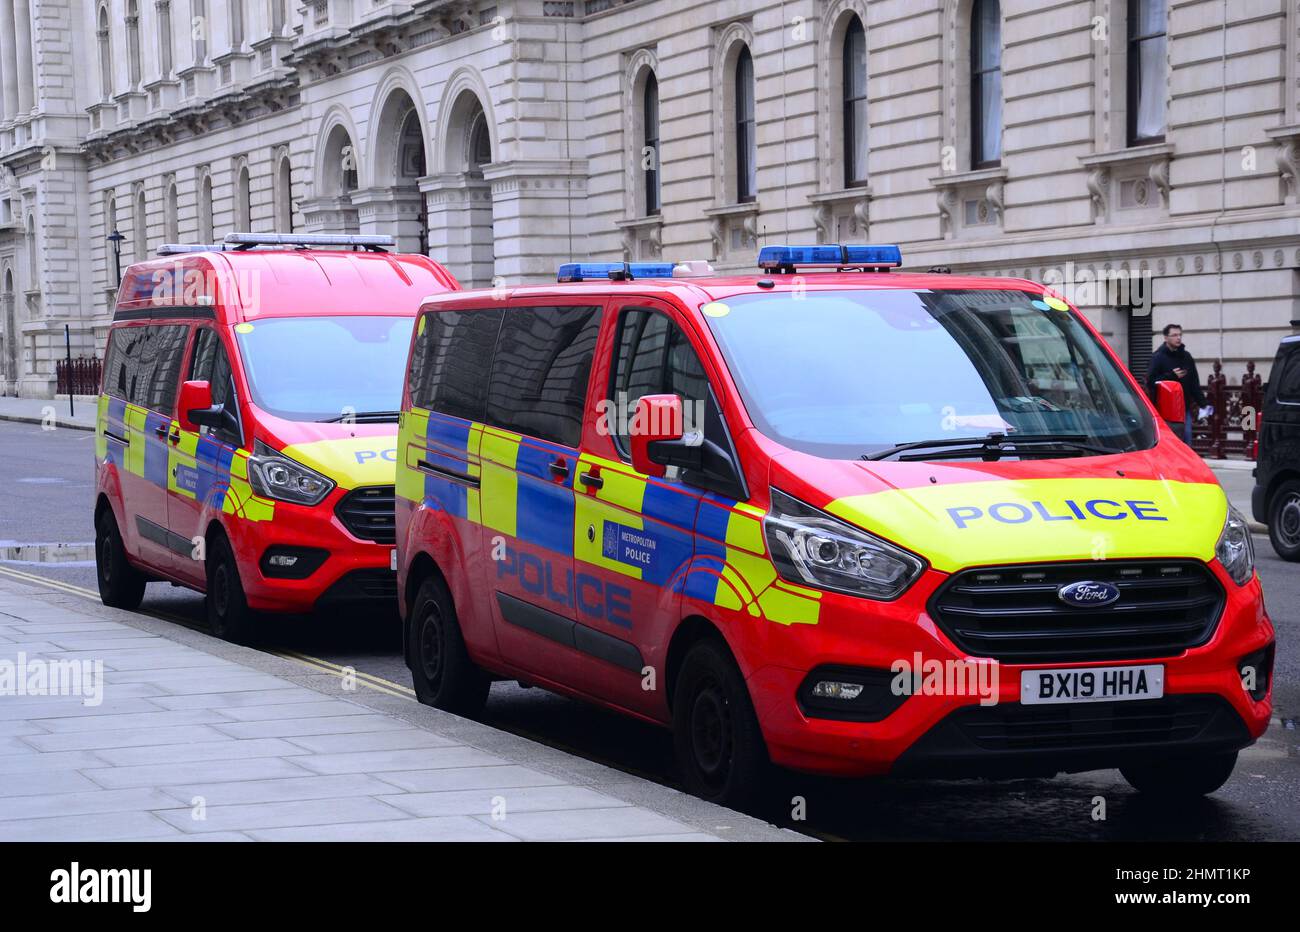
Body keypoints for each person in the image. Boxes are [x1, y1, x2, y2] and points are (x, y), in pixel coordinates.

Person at [1146, 323, 1207, 443]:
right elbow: (1150, 381)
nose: (1178, 338)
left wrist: (1203, 403)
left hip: (1183, 407)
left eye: (1180, 335)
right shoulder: (1158, 357)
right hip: (1165, 410)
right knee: (1170, 442)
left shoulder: (1186, 357)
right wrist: (1171, 376)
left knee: (1187, 439)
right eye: (1174, 335)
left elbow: (1194, 382)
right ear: (1166, 337)